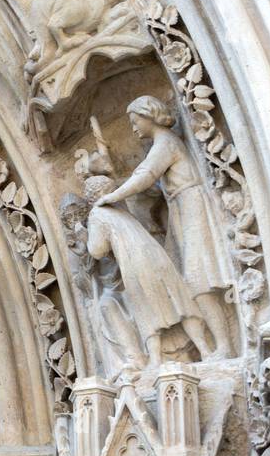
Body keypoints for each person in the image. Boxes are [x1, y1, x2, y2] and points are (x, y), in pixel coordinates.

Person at [94, 96, 234, 358]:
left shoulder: (166, 143)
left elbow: (145, 176)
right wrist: (115, 183)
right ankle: (209, 346)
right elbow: (147, 187)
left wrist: (111, 196)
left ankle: (224, 346)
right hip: (180, 210)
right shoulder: (160, 146)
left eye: (136, 121)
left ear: (150, 116)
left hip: (192, 207)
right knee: (184, 279)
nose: (134, 128)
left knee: (198, 280)